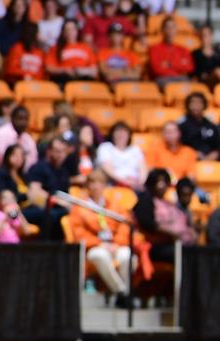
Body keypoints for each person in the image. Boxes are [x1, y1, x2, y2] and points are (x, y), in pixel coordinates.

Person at [69, 170, 134, 305]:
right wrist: (99, 243)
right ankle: (122, 292)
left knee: (127, 256)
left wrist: (117, 243)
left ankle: (123, 295)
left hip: (115, 244)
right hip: (94, 246)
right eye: (92, 183)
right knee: (99, 256)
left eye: (99, 183)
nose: (95, 186)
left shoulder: (114, 205)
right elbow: (78, 232)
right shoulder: (80, 207)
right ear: (87, 186)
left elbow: (125, 226)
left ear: (105, 186)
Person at [133, 167, 196, 263]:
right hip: (154, 245)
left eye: (164, 182)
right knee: (185, 253)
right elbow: (147, 223)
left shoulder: (168, 203)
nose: (161, 185)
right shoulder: (145, 200)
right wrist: (171, 233)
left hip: (177, 243)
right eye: (158, 181)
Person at [96, 122, 147, 190]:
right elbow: (107, 168)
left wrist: (140, 181)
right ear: (112, 134)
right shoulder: (106, 147)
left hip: (135, 183)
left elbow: (143, 168)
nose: (121, 135)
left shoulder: (135, 149)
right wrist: (124, 181)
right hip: (114, 183)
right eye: (118, 131)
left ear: (129, 135)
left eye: (124, 132)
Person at [0, 104, 37, 172]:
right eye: (20, 119)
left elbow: (33, 161)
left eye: (26, 119)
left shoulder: (28, 139)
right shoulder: (1, 134)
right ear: (12, 119)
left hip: (19, 174)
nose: (23, 123)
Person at [147, 17, 194, 84]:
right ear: (162, 30)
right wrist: (179, 64)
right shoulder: (154, 49)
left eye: (173, 27)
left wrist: (169, 64)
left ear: (176, 30)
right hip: (163, 79)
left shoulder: (183, 50)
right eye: (167, 27)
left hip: (180, 78)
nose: (170, 30)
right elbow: (156, 69)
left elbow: (189, 67)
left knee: (190, 85)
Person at [179, 92, 220, 160]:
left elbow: (217, 144)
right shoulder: (182, 125)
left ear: (204, 105)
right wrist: (193, 153)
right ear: (188, 105)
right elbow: (180, 145)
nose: (196, 105)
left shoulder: (211, 125)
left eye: (199, 102)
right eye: (193, 102)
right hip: (189, 159)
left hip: (211, 160)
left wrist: (216, 153)